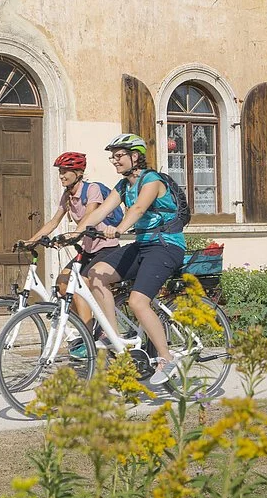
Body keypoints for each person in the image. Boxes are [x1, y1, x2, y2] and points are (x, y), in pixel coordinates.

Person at [75, 134, 187, 387]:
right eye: (112, 157)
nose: (114, 161)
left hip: (166, 245)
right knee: (96, 273)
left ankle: (166, 358)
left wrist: (120, 228)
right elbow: (102, 211)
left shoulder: (152, 180)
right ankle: (114, 339)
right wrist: (72, 232)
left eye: (119, 156)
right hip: (143, 245)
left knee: (138, 302)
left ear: (134, 156)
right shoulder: (123, 185)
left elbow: (137, 209)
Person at [20, 152, 120, 330]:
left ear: (79, 173)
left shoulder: (91, 189)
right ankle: (84, 326)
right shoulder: (67, 196)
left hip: (106, 247)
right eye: (60, 171)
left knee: (79, 284)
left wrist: (72, 235)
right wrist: (31, 240)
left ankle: (87, 336)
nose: (61, 175)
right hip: (88, 249)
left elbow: (91, 214)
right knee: (63, 284)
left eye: (66, 171)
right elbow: (54, 221)